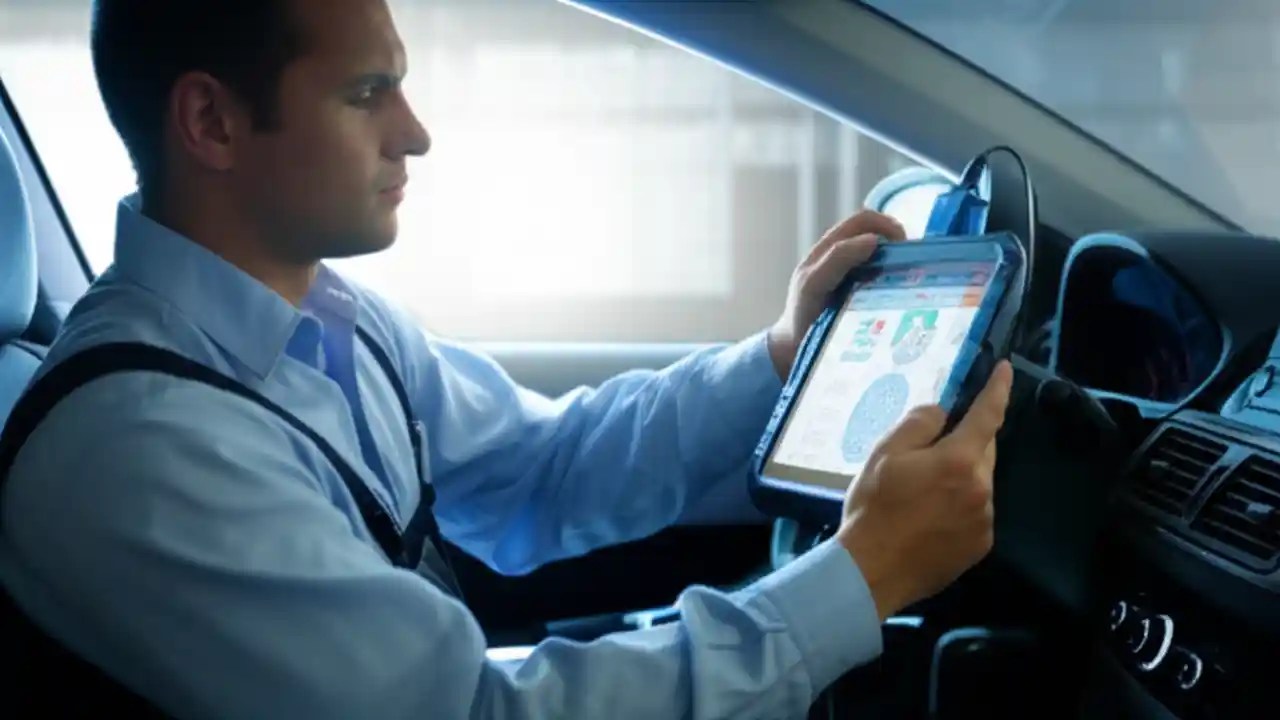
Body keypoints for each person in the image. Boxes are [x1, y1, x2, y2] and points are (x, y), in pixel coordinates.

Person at [0, 1, 1012, 718]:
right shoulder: (138, 447)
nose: (414, 134)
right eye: (366, 94)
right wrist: (859, 579)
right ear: (212, 122)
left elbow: (541, 471)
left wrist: (781, 356)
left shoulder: (331, 319)